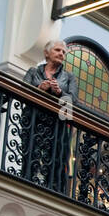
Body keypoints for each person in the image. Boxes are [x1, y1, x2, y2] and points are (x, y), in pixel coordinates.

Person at [22, 40, 79, 191]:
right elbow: (22, 91)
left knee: (55, 161)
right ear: (46, 53)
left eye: (63, 52)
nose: (61, 53)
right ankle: (27, 182)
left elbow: (73, 102)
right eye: (57, 50)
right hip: (33, 122)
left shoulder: (69, 77)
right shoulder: (33, 72)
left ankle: (52, 189)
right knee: (30, 157)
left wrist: (59, 92)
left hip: (56, 126)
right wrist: (39, 87)